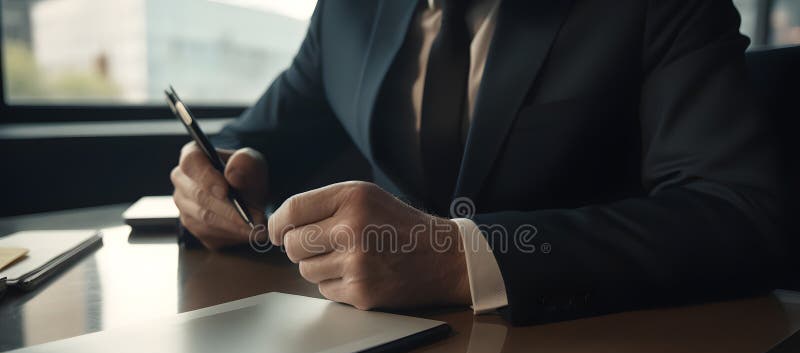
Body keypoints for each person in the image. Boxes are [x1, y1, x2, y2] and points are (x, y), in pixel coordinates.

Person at [171, 0, 782, 325]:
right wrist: (218, 178)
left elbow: (742, 213)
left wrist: (460, 260)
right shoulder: (347, 11)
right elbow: (253, 142)